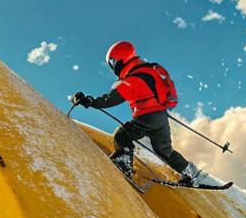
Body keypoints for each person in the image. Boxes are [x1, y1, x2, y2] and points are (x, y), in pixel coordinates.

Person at [72, 41, 209, 185]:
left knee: (123, 134)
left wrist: (90, 101)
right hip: (161, 116)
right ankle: (191, 173)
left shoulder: (134, 78)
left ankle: (123, 163)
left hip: (146, 117)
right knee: (164, 150)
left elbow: (111, 99)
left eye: (113, 62)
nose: (113, 67)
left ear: (121, 60)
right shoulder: (148, 70)